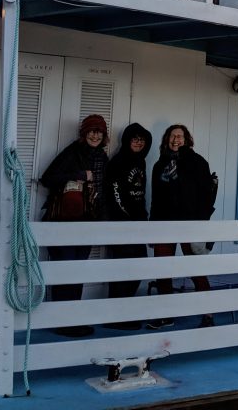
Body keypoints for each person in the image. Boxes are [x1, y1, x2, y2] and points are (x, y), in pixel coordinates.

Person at [40, 114, 109, 337]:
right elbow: (47, 178)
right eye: (91, 131)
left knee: (77, 271)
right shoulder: (73, 152)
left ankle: (72, 320)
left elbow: (103, 191)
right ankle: (63, 322)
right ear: (84, 133)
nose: (95, 136)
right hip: (64, 222)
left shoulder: (103, 158)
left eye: (99, 132)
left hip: (88, 222)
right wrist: (79, 175)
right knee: (65, 271)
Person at [148, 124, 218, 329]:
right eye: (172, 136)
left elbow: (207, 197)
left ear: (187, 140)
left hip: (190, 224)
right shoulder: (160, 165)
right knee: (163, 270)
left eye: (180, 136)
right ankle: (166, 315)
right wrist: (152, 228)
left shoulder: (197, 162)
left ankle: (208, 314)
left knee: (195, 268)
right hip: (164, 224)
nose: (176, 139)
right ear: (167, 140)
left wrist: (201, 226)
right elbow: (155, 199)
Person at [103, 123, 151, 330]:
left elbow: (140, 194)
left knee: (138, 267)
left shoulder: (141, 162)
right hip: (122, 224)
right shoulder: (119, 161)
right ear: (127, 141)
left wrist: (142, 218)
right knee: (122, 270)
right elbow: (115, 194)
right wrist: (127, 219)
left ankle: (122, 313)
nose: (139, 143)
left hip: (138, 225)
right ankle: (116, 317)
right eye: (135, 139)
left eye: (142, 140)